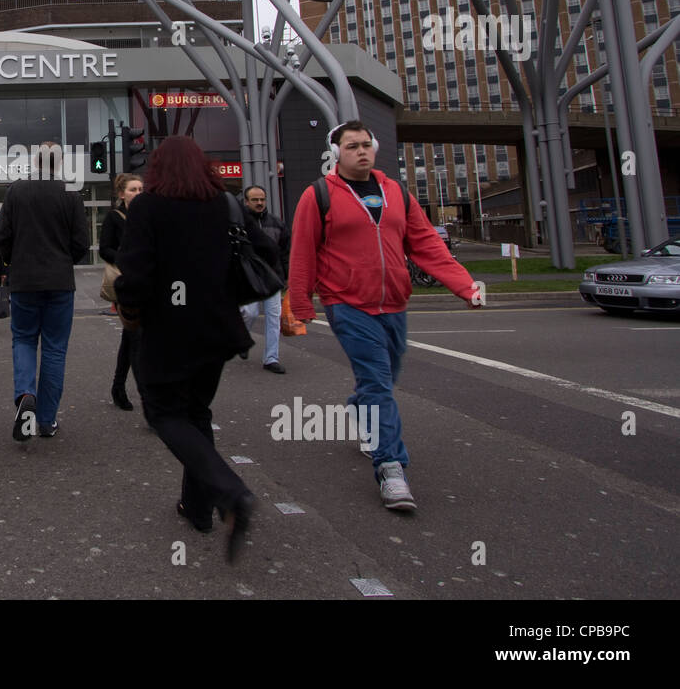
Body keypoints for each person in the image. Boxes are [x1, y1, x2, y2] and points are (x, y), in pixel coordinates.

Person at [289, 120, 480, 512]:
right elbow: (303, 253)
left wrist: (464, 285)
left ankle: (362, 412)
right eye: (351, 146)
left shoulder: (398, 193)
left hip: (394, 303)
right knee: (377, 383)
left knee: (384, 380)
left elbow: (427, 245)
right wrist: (301, 306)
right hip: (346, 303)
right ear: (336, 153)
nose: (360, 151)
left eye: (365, 145)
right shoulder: (318, 195)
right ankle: (390, 467)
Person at [114, 136, 264, 563]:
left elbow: (136, 271)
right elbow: (264, 250)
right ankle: (197, 509)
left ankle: (230, 492)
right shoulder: (224, 204)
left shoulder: (148, 207)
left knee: (162, 412)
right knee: (197, 412)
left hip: (168, 326)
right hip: (216, 327)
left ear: (158, 169)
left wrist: (128, 307)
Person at [0, 142, 88, 441]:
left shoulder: (16, 191)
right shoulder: (71, 194)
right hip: (59, 281)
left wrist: (14, 260)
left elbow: (1, 236)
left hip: (24, 281)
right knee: (54, 349)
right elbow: (81, 245)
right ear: (59, 164)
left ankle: (25, 395)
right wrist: (62, 261)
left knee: (22, 339)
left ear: (35, 161)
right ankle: (46, 421)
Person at [100, 172, 143, 411]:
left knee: (131, 338)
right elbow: (105, 249)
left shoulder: (148, 217)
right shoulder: (114, 218)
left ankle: (118, 386)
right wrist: (126, 260)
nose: (138, 193)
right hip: (127, 285)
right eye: (133, 189)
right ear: (121, 194)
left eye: (140, 189)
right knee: (137, 339)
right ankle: (149, 399)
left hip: (148, 284)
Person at [239, 186, 291, 375]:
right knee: (250, 313)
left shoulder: (277, 223)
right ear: (246, 201)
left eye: (262, 199)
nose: (259, 203)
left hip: (273, 277)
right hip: (249, 277)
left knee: (273, 319)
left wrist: (287, 276)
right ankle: (242, 340)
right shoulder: (239, 224)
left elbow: (285, 251)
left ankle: (271, 358)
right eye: (255, 200)